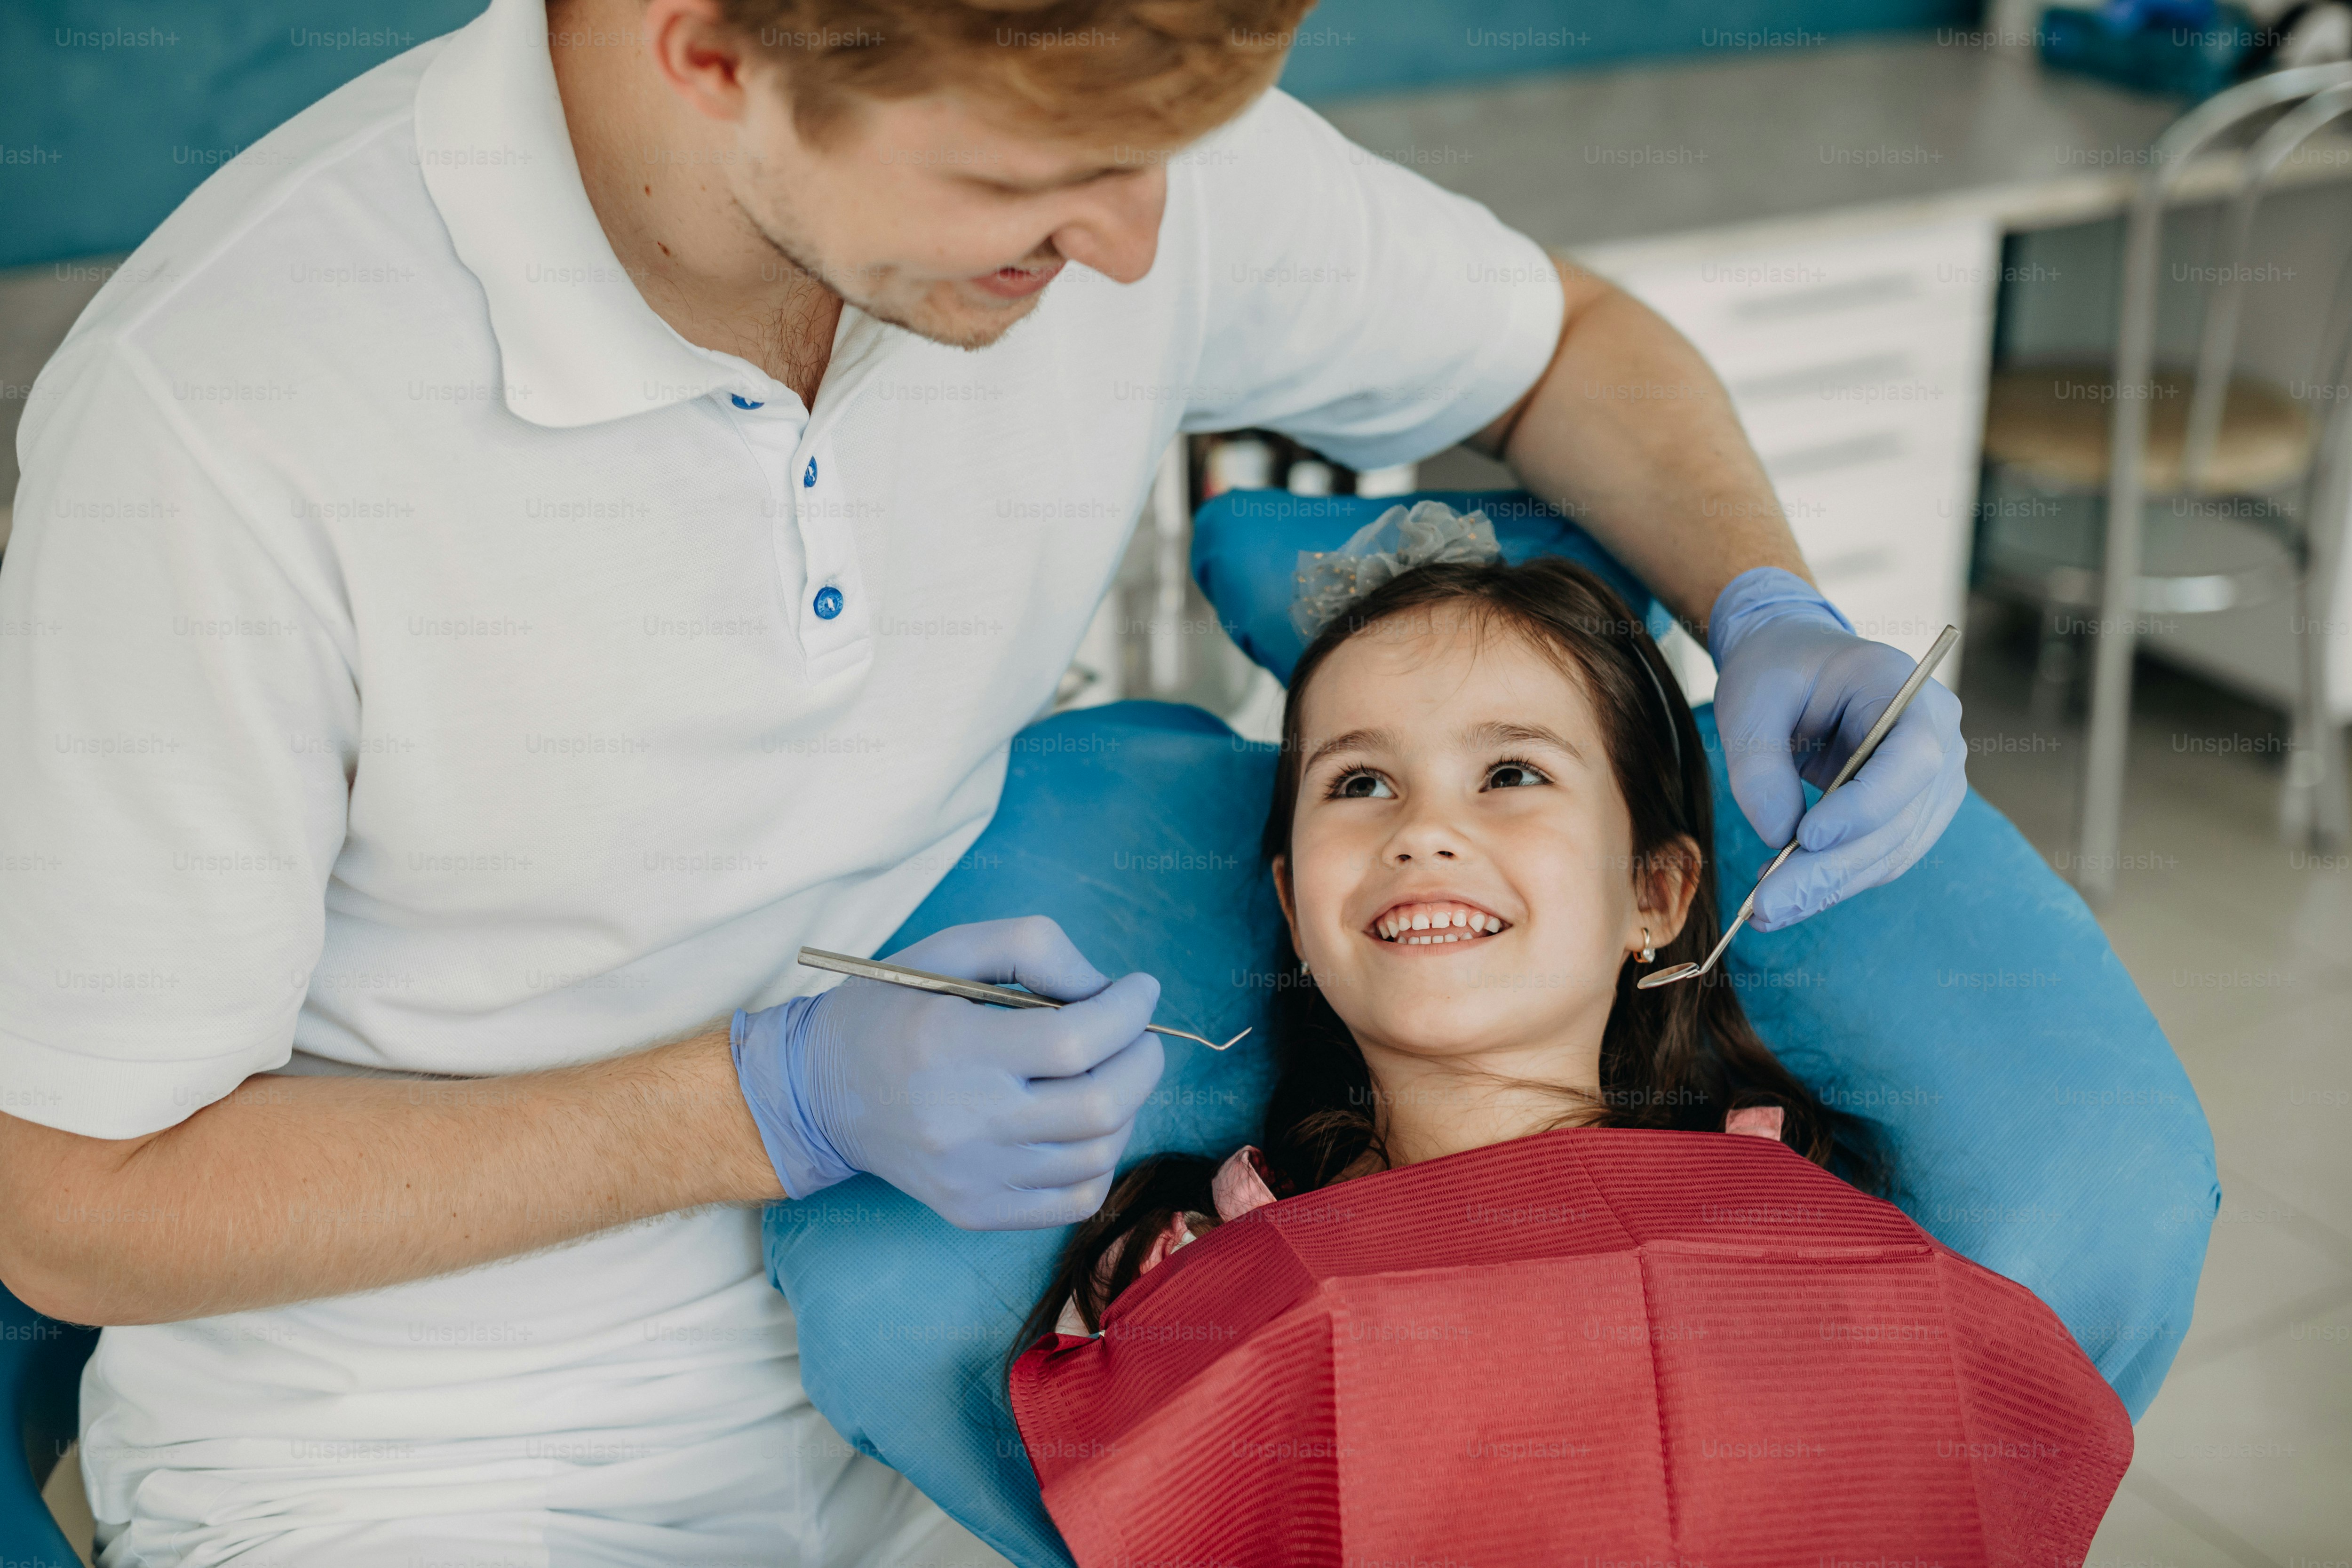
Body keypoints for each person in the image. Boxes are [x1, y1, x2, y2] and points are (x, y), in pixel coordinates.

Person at [0, 0, 1963, 1562]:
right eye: (1037, 181)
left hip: (963, 1408)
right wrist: (765, 1101)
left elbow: (1566, 349)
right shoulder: (217, 427)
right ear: (709, 51)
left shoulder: (1105, 136)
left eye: (1157, 168)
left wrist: (1763, 592)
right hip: (427, 1464)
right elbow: (70, 1206)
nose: (1129, 250)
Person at [1020, 540, 1885, 1343]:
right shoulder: (1188, 1272)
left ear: (1651, 894)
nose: (1423, 830)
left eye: (1512, 773)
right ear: (1293, 905)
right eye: (1360, 782)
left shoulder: (1775, 1219)